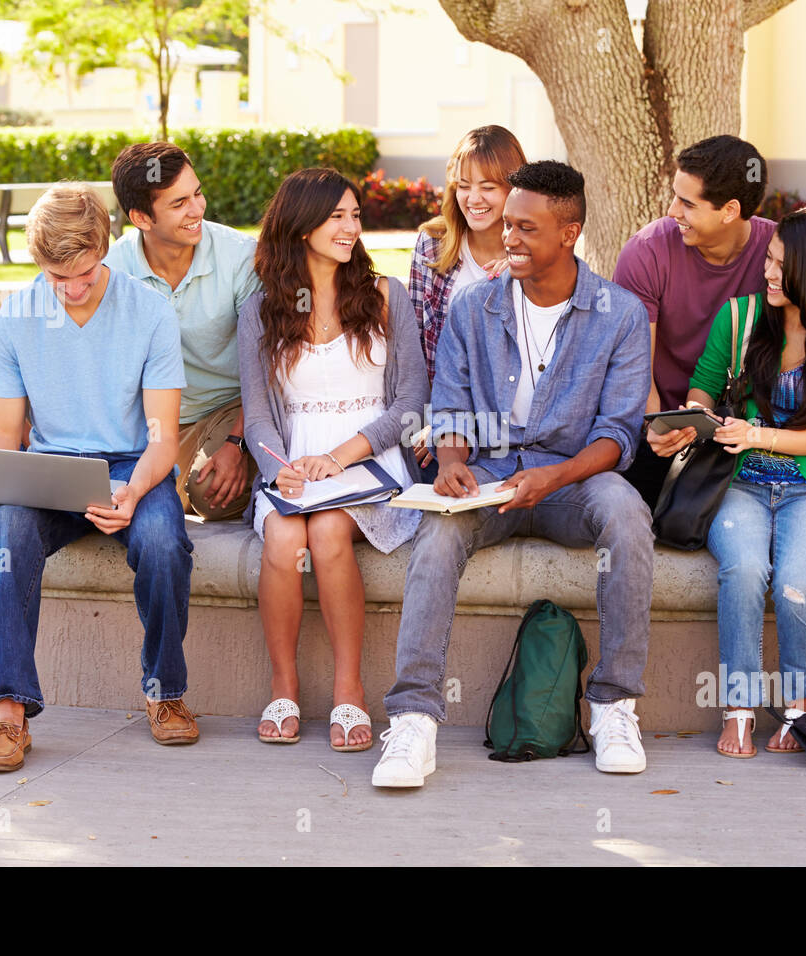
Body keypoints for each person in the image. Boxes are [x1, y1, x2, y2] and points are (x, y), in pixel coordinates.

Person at [371, 160, 654, 788]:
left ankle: (613, 706)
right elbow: (448, 403)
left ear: (569, 231)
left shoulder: (621, 315)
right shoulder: (475, 306)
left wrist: (552, 480)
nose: (509, 237)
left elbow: (617, 435)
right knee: (438, 534)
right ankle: (414, 720)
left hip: (573, 477)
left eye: (527, 227)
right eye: (508, 224)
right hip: (491, 475)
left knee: (628, 515)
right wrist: (449, 460)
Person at [0, 183, 197, 772]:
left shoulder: (150, 311)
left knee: (165, 543)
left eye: (84, 273)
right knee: (7, 537)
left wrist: (135, 489)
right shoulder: (16, 317)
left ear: (106, 248)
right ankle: (8, 716)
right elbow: (5, 431)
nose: (70, 288)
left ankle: (166, 693)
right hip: (49, 471)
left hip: (131, 467)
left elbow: (164, 435)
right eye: (55, 276)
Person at [659, 206, 806, 758]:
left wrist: (758, 435)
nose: (770, 273)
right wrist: (690, 422)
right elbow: (702, 386)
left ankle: (801, 708)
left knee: (797, 582)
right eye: (770, 261)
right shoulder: (741, 318)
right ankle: (740, 707)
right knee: (745, 570)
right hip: (739, 484)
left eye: (783, 266)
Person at [238, 167, 429, 752]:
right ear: (300, 228)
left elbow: (411, 403)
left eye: (354, 215)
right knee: (282, 539)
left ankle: (350, 691)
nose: (350, 228)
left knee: (324, 532)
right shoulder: (262, 309)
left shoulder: (384, 295)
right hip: (295, 464)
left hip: (373, 457)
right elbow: (258, 417)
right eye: (336, 217)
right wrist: (279, 467)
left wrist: (341, 455)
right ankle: (284, 687)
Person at [613, 135, 806, 509]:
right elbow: (633, 365)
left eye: (687, 203)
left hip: (749, 439)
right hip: (665, 425)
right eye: (675, 196)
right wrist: (655, 426)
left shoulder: (779, 250)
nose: (672, 210)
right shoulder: (645, 254)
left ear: (729, 210)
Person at [106, 141, 262, 521]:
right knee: (132, 507)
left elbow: (265, 361)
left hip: (231, 407)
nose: (197, 210)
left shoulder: (240, 257)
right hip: (157, 420)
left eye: (197, 194)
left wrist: (237, 443)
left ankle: (254, 475)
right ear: (142, 218)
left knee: (211, 494)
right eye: (178, 204)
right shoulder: (115, 268)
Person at [409, 125, 525, 381]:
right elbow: (417, 344)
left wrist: (521, 277)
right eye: (464, 186)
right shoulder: (432, 245)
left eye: (488, 187)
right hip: (449, 407)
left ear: (514, 188)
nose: (473, 199)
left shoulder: (533, 250)